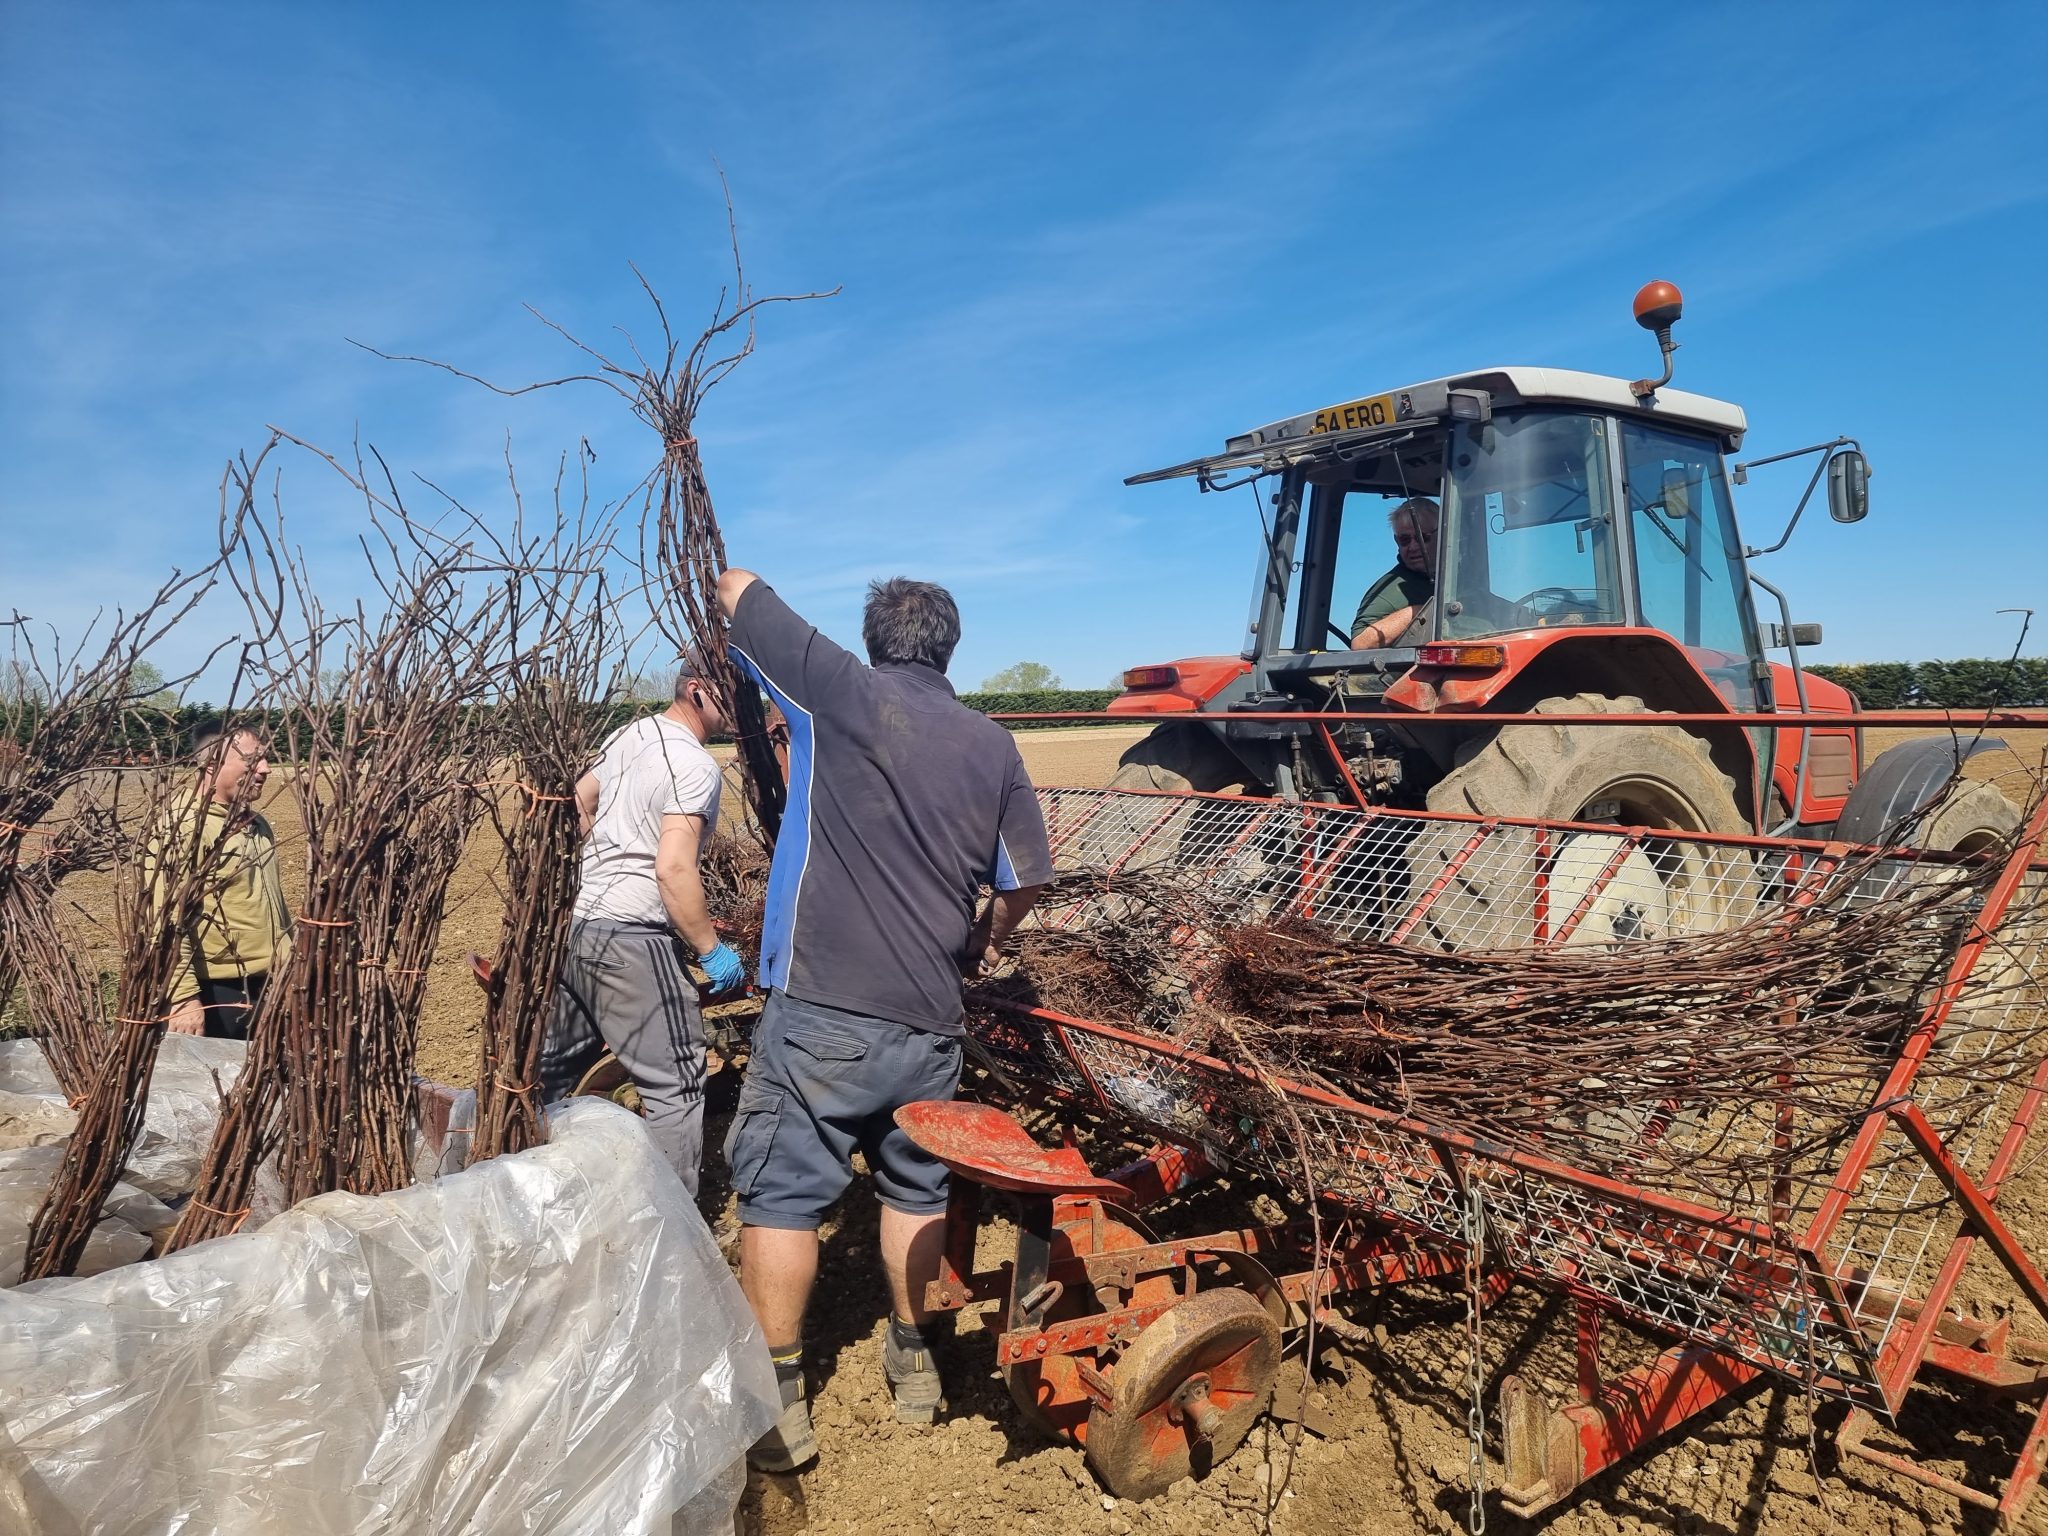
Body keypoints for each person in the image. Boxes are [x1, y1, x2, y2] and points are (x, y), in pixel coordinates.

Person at [716, 568, 1052, 1473]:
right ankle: (915, 1364)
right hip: (930, 1022)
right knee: (915, 1187)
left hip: (822, 1009)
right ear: (948, 648)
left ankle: (780, 1403)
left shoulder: (841, 691)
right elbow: (1026, 882)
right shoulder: (993, 744)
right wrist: (980, 941)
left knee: (782, 1194)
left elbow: (735, 586)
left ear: (875, 642)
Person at [549, 661, 747, 1194]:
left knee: (552, 1070)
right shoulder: (695, 764)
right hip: (632, 934)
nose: (738, 707)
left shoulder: (630, 733)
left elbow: (576, 801)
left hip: (580, 922)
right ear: (696, 689)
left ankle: (520, 1180)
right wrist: (710, 948)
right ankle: (670, 1224)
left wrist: (601, 863)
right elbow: (673, 867)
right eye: (729, 694)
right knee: (677, 1083)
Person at [158, 724, 290, 1041]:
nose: (266, 769)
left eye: (266, 759)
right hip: (218, 995)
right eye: (253, 760)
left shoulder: (256, 824)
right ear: (213, 764)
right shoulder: (184, 826)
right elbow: (163, 919)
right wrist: (183, 997)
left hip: (269, 987)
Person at [1349, 495, 1439, 648]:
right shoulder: (1391, 588)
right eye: (1405, 540)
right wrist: (1421, 612)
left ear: (1443, 534)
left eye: (1422, 538)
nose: (1413, 547)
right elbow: (1360, 643)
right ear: (1396, 541)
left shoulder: (1460, 579)